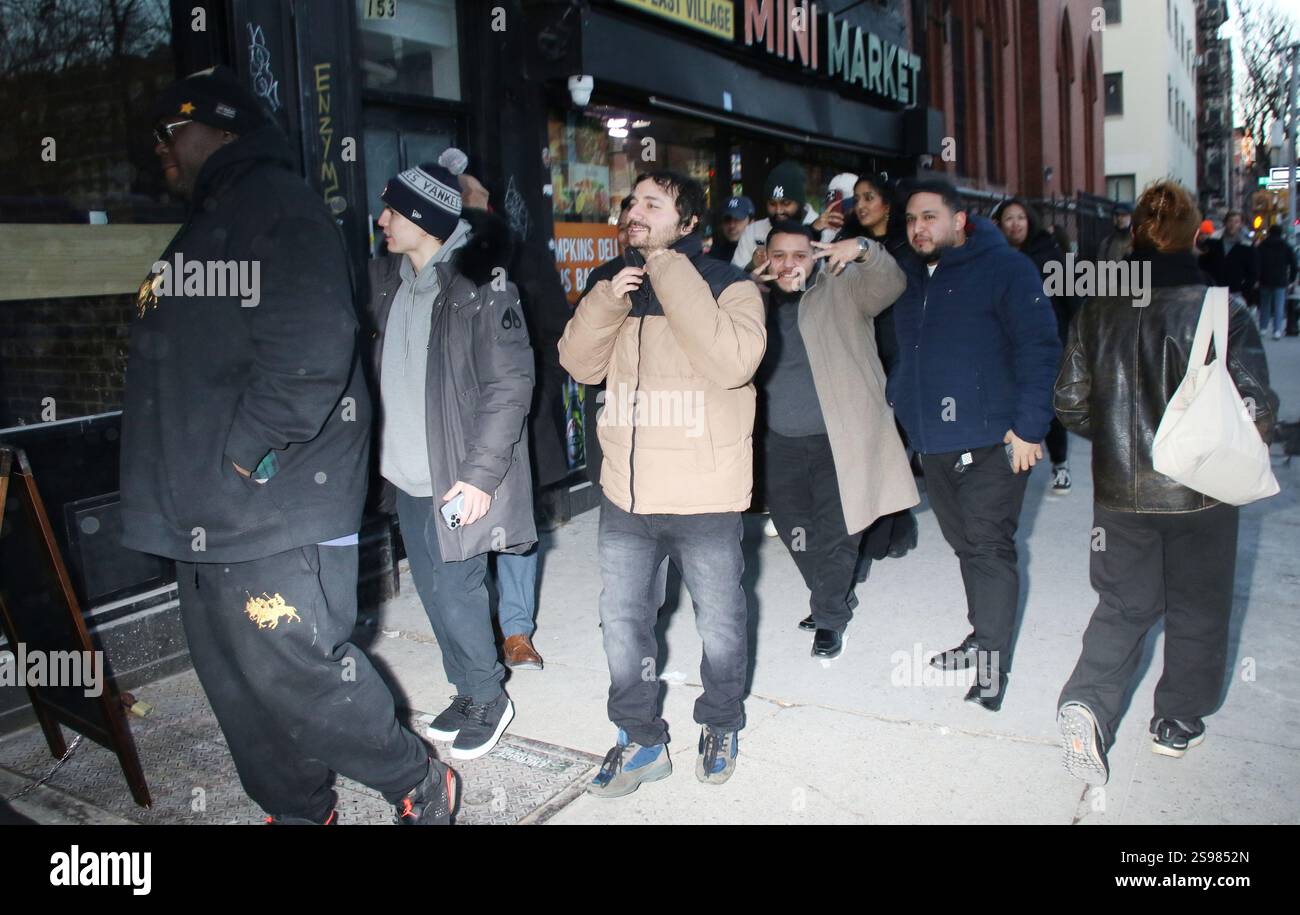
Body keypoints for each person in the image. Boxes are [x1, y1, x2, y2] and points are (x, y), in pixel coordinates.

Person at [122, 66, 455, 825]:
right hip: (204, 514)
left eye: (171, 132)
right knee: (237, 688)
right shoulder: (204, 224)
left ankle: (419, 782)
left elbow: (311, 349)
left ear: (222, 128)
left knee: (300, 672)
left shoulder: (277, 208)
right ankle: (299, 809)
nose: (160, 150)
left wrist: (244, 456)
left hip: (271, 507)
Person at [1054, 180, 1277, 784]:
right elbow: (1256, 403)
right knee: (1198, 607)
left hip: (1120, 493)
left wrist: (1121, 437)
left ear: (1136, 235)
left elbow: (1069, 403)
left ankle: (1087, 702)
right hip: (1201, 492)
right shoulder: (1220, 308)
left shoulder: (1096, 307)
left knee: (1124, 604)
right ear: (1193, 232)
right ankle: (1176, 722)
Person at [559, 170, 765, 795]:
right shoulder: (612, 284)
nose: (634, 211)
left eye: (654, 203)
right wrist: (605, 301)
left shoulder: (733, 285)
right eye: (631, 202)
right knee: (623, 623)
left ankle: (721, 721)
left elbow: (733, 363)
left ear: (689, 223)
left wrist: (668, 269)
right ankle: (640, 738)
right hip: (626, 496)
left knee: (720, 622)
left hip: (704, 494)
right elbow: (577, 364)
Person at [367, 160, 536, 762]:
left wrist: (480, 477)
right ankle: (467, 689)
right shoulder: (389, 281)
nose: (381, 219)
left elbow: (511, 385)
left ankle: (489, 696)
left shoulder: (481, 287)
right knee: (436, 592)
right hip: (405, 473)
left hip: (457, 474)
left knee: (459, 588)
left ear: (423, 219)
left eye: (391, 210)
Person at [888, 179, 1062, 711]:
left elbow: (1040, 347)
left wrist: (1032, 427)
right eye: (912, 219)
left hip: (995, 439)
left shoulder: (1006, 269)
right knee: (967, 546)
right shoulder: (912, 275)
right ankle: (982, 634)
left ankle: (991, 662)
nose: (919, 227)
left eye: (929, 216)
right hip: (935, 440)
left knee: (987, 547)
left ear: (960, 219)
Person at [753, 220, 916, 658]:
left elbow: (892, 281)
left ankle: (830, 616)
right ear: (766, 257)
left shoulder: (844, 288)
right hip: (777, 440)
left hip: (840, 436)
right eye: (780, 255)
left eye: (800, 255)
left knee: (839, 531)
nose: (790, 264)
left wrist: (864, 248)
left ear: (817, 256)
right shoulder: (751, 299)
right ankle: (834, 592)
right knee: (795, 530)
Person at [438, 148, 567, 671]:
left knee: (514, 526)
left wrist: (534, 400)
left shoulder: (519, 256)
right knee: (455, 523)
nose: (478, 206)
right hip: (447, 418)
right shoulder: (429, 267)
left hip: (516, 416)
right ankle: (473, 631)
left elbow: (556, 329)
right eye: (467, 198)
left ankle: (516, 630)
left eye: (481, 197)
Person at [843, 173, 919, 568]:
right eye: (857, 198)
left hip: (901, 351)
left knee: (894, 440)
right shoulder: (850, 243)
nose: (861, 204)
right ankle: (893, 525)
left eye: (869, 197)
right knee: (873, 442)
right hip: (863, 351)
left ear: (888, 203)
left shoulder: (907, 245)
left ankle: (890, 526)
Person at [993, 197, 1077, 494]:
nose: (1015, 224)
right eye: (1008, 218)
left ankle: (1060, 463)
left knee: (1047, 405)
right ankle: (1013, 460)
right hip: (1005, 346)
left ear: (1030, 221)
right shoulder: (994, 257)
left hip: (1046, 344)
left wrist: (1070, 343)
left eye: (1020, 217)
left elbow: (1072, 303)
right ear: (999, 224)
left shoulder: (1050, 255)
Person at [730, 161, 840, 270]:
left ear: (800, 202)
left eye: (786, 203)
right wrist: (752, 266)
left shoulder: (825, 231)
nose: (779, 210)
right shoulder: (752, 231)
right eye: (772, 204)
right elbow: (732, 278)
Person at [1199, 211, 1258, 314]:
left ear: (1240, 224)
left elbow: (1253, 272)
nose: (1232, 225)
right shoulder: (1213, 242)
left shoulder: (1247, 246)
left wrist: (1244, 292)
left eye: (1236, 221)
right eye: (1230, 221)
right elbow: (1203, 265)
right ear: (1225, 223)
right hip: (1214, 292)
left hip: (1236, 294)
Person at [1256, 224, 1298, 340]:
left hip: (1264, 279)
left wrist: (1257, 278)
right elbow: (1293, 264)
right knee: (1279, 306)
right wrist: (1291, 279)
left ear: (1269, 233)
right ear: (1281, 233)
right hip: (1280, 280)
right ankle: (1277, 330)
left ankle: (1263, 328)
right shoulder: (1286, 246)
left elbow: (1256, 262)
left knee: (1265, 304)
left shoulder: (1262, 246)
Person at [708, 195, 754, 264]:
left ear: (751, 222)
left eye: (738, 219)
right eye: (727, 219)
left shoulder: (763, 254)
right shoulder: (713, 257)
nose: (732, 225)